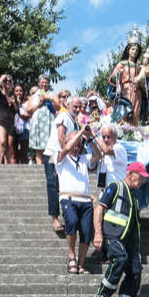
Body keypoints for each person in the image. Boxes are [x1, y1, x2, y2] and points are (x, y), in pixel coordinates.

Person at [93, 162, 149, 297]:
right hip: (112, 234)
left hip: (129, 240)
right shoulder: (115, 186)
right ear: (130, 174)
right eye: (141, 177)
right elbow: (99, 208)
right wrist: (98, 233)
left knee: (135, 270)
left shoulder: (134, 195)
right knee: (120, 258)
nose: (143, 181)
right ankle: (102, 294)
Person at [55, 126, 101, 274]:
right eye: (74, 144)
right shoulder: (60, 157)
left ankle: (81, 264)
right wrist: (80, 132)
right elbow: (66, 149)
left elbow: (98, 156)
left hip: (85, 200)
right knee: (72, 222)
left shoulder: (83, 158)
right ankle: (71, 255)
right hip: (68, 198)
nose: (76, 147)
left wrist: (89, 138)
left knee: (87, 233)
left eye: (78, 145)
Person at [43, 96, 82, 233]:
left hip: (64, 156)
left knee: (64, 185)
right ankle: (55, 219)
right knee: (53, 185)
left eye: (79, 107)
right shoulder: (63, 117)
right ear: (68, 105)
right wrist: (67, 153)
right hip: (54, 154)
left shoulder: (75, 122)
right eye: (75, 107)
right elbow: (61, 137)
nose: (77, 109)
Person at [107, 26, 144, 123]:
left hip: (136, 91)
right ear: (128, 50)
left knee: (135, 114)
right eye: (132, 49)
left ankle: (135, 132)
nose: (134, 52)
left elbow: (144, 82)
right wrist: (117, 75)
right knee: (124, 112)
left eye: (136, 50)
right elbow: (112, 79)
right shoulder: (121, 64)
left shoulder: (139, 66)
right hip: (125, 90)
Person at [26, 74, 59, 165]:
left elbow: (58, 107)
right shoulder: (34, 96)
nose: (44, 84)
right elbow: (29, 111)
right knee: (38, 148)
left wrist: (49, 98)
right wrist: (38, 104)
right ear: (39, 83)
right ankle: (39, 168)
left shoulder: (53, 94)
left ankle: (51, 168)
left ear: (49, 84)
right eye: (42, 82)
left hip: (50, 123)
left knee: (50, 148)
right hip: (37, 125)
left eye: (46, 82)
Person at [93, 123, 128, 187]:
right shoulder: (101, 149)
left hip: (117, 189)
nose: (106, 140)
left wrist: (93, 135)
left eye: (108, 137)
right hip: (105, 190)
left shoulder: (119, 148)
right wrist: (89, 139)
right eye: (103, 137)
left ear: (115, 136)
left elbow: (106, 150)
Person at [0, 74, 18, 165]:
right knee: (2, 141)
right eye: (5, 81)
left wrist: (14, 103)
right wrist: (2, 78)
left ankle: (6, 165)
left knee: (9, 145)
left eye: (9, 81)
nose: (7, 83)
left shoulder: (13, 96)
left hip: (11, 122)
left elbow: (17, 111)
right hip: (1, 120)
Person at [13, 84, 30, 164]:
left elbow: (27, 116)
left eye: (20, 91)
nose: (19, 92)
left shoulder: (27, 102)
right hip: (13, 129)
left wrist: (19, 106)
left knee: (24, 151)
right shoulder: (11, 101)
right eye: (16, 91)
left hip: (25, 128)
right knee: (14, 152)